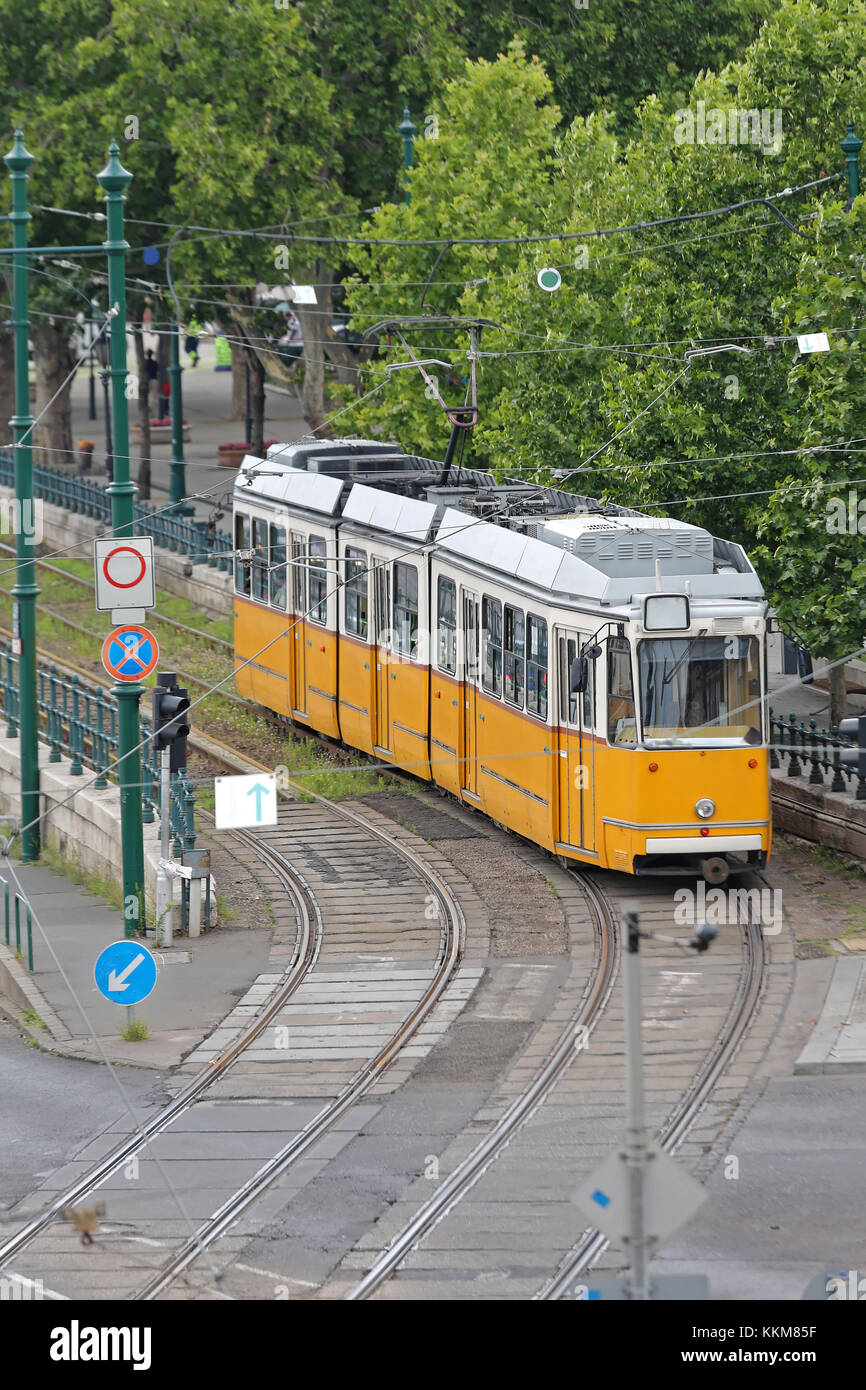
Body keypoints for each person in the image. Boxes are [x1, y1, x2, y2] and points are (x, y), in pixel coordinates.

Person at [145, 348, 158, 414]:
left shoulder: (145, 362)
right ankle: (150, 408)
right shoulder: (155, 363)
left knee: (147, 395)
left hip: (146, 380)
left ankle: (148, 407)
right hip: (153, 380)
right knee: (152, 396)